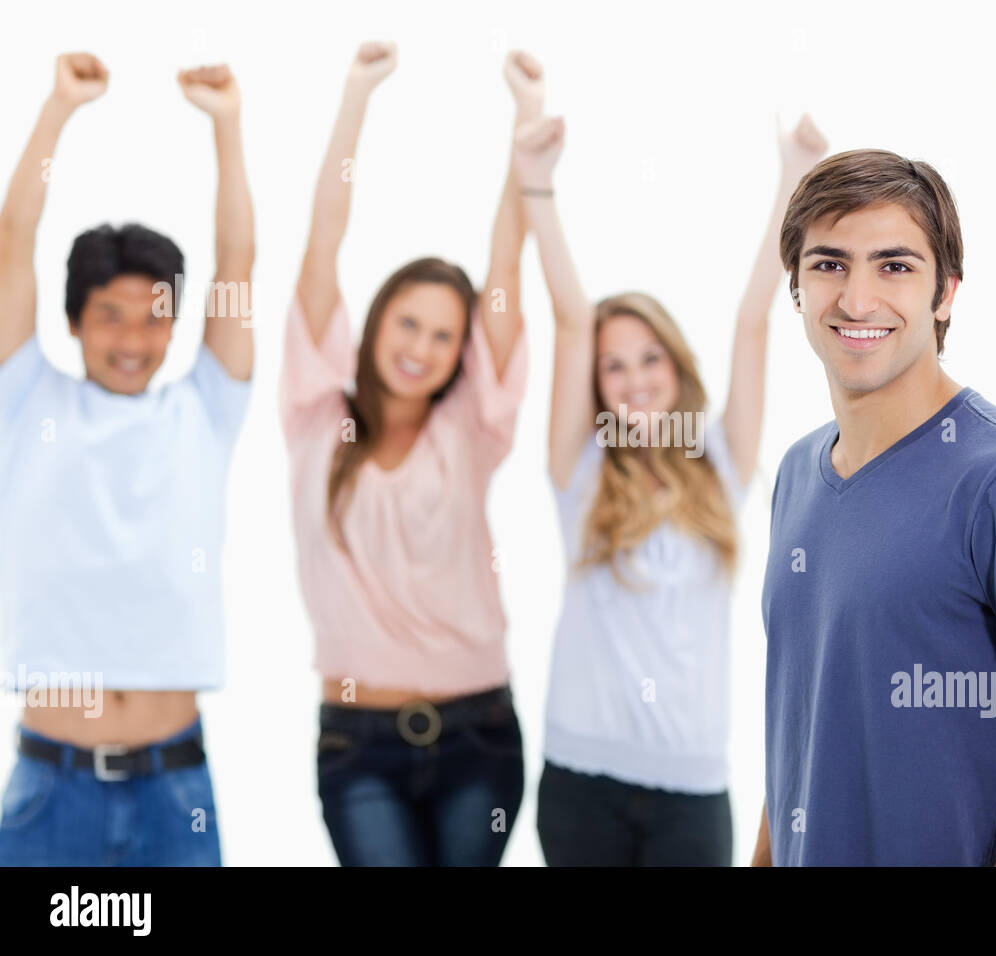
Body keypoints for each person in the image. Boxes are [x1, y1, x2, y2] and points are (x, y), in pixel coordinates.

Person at [753, 147, 996, 867]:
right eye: (829, 264)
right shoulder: (798, 472)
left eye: (894, 266)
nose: (858, 299)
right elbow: (801, 733)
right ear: (797, 289)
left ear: (946, 293)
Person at [514, 108, 828, 865]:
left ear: (675, 366)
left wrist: (793, 178)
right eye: (614, 366)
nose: (634, 381)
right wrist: (537, 185)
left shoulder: (720, 462)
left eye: (648, 359)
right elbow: (569, 317)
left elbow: (753, 322)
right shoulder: (579, 471)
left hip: (692, 789)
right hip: (581, 778)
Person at [281, 43, 533, 866]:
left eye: (443, 334)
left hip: (478, 735)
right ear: (376, 322)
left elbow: (505, 265)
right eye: (408, 323)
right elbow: (324, 236)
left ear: (464, 351)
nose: (421, 347)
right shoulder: (317, 412)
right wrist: (355, 95)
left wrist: (525, 124)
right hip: (357, 745)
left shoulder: (471, 428)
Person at [0, 54, 254, 865]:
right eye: (110, 317)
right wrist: (59, 108)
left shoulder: (203, 410)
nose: (133, 340)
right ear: (74, 321)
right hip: (51, 787)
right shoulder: (29, 400)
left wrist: (226, 126)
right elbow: (12, 242)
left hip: (172, 787)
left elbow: (238, 267)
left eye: (152, 318)